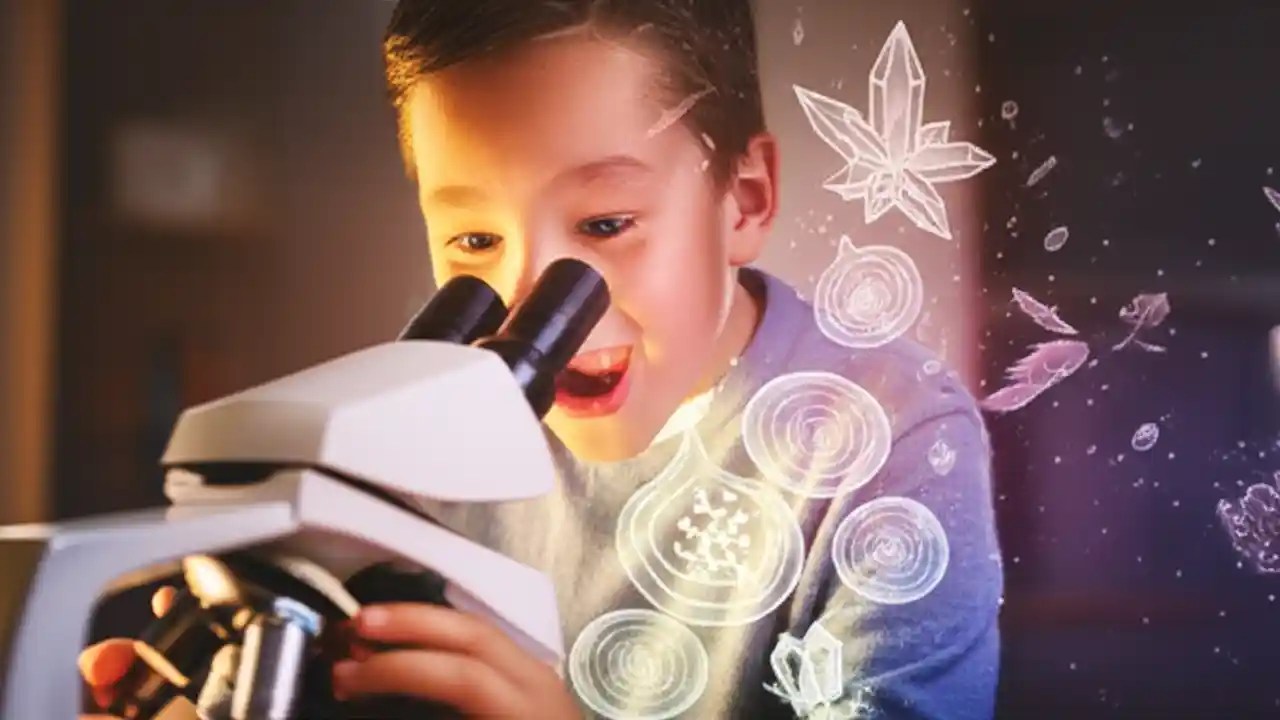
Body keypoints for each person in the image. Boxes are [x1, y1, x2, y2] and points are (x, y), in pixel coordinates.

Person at [80, 1, 1003, 717]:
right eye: (474, 238)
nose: (524, 303)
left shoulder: (889, 432)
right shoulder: (417, 413)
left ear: (745, 200)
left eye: (605, 225)